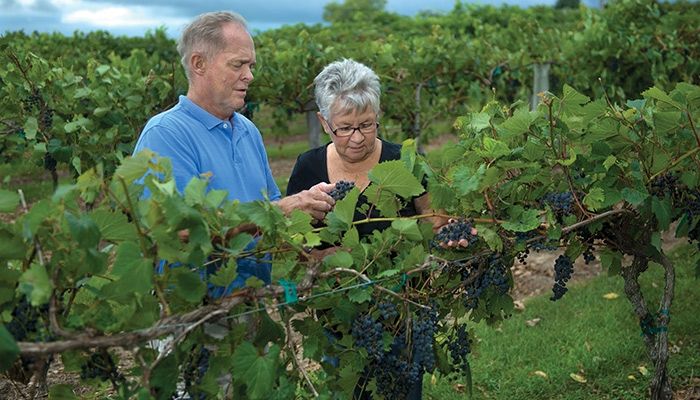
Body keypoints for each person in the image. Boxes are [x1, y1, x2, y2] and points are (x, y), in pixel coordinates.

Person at [132, 11, 335, 294]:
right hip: (196, 314)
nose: (249, 76)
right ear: (199, 64)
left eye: (251, 65)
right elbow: (180, 232)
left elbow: (272, 216)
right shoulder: (166, 134)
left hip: (248, 304)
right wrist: (286, 207)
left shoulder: (248, 131)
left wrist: (313, 257)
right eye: (238, 64)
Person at [286, 58, 446, 400]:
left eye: (367, 124)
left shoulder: (405, 162)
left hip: (401, 312)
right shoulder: (308, 168)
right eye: (344, 127)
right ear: (324, 122)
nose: (357, 137)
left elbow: (436, 222)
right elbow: (293, 246)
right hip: (338, 318)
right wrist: (321, 259)